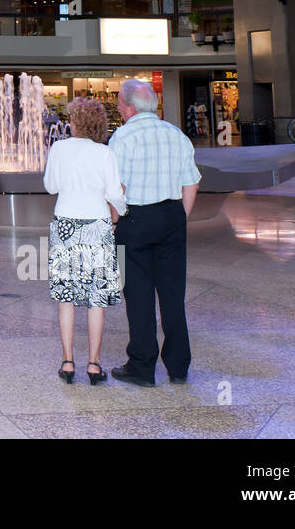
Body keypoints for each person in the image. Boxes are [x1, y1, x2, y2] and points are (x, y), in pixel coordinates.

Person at [107, 79, 201, 388]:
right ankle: (178, 367)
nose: (119, 109)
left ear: (131, 106)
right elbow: (191, 182)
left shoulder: (123, 137)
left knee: (138, 295)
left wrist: (115, 222)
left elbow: (117, 189)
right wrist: (179, 217)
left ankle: (142, 367)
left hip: (136, 219)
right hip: (172, 215)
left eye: (120, 103)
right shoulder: (176, 134)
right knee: (173, 295)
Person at [43, 96, 127, 386]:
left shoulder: (58, 148)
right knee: (96, 300)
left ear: (74, 122)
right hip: (97, 225)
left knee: (65, 299)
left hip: (65, 225)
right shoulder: (104, 153)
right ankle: (94, 364)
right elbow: (115, 193)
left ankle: (67, 362)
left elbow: (50, 186)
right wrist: (123, 212)